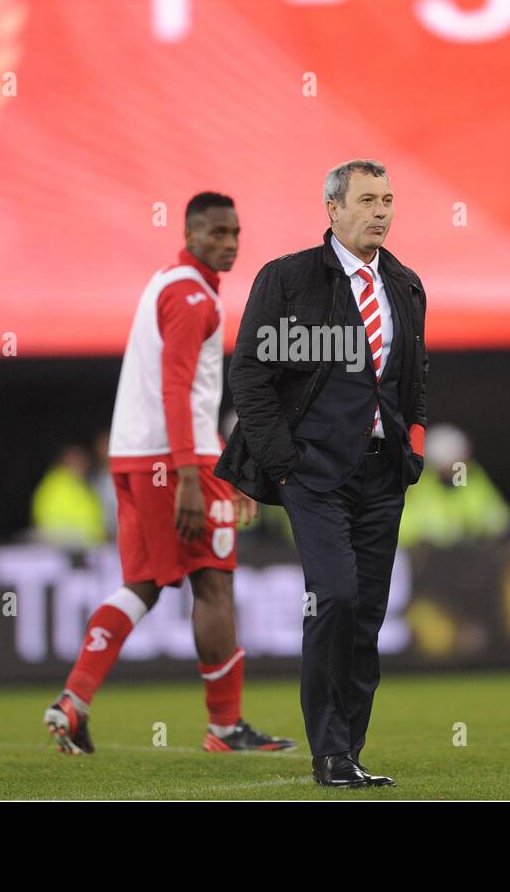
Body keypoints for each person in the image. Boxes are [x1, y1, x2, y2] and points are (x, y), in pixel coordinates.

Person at [44, 192, 294, 755]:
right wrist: (188, 475)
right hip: (173, 461)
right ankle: (226, 728)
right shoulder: (192, 296)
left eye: (234, 233)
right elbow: (176, 387)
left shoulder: (167, 282)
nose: (228, 243)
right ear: (190, 232)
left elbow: (188, 391)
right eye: (216, 233)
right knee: (214, 584)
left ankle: (73, 701)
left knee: (144, 583)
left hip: (135, 457)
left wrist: (222, 457)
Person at [216, 159, 428, 789]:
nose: (381, 211)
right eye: (367, 200)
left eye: (388, 199)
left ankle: (347, 753)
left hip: (380, 476)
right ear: (333, 209)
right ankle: (329, 749)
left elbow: (413, 381)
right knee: (333, 596)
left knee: (366, 615)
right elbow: (251, 376)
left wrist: (410, 448)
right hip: (313, 476)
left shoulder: (406, 285)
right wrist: (282, 462)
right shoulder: (289, 279)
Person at [30, 443, 106, 548]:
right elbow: (51, 523)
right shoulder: (56, 486)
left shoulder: (79, 484)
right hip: (67, 550)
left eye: (83, 459)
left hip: (87, 547)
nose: (83, 463)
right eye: (78, 459)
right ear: (66, 461)